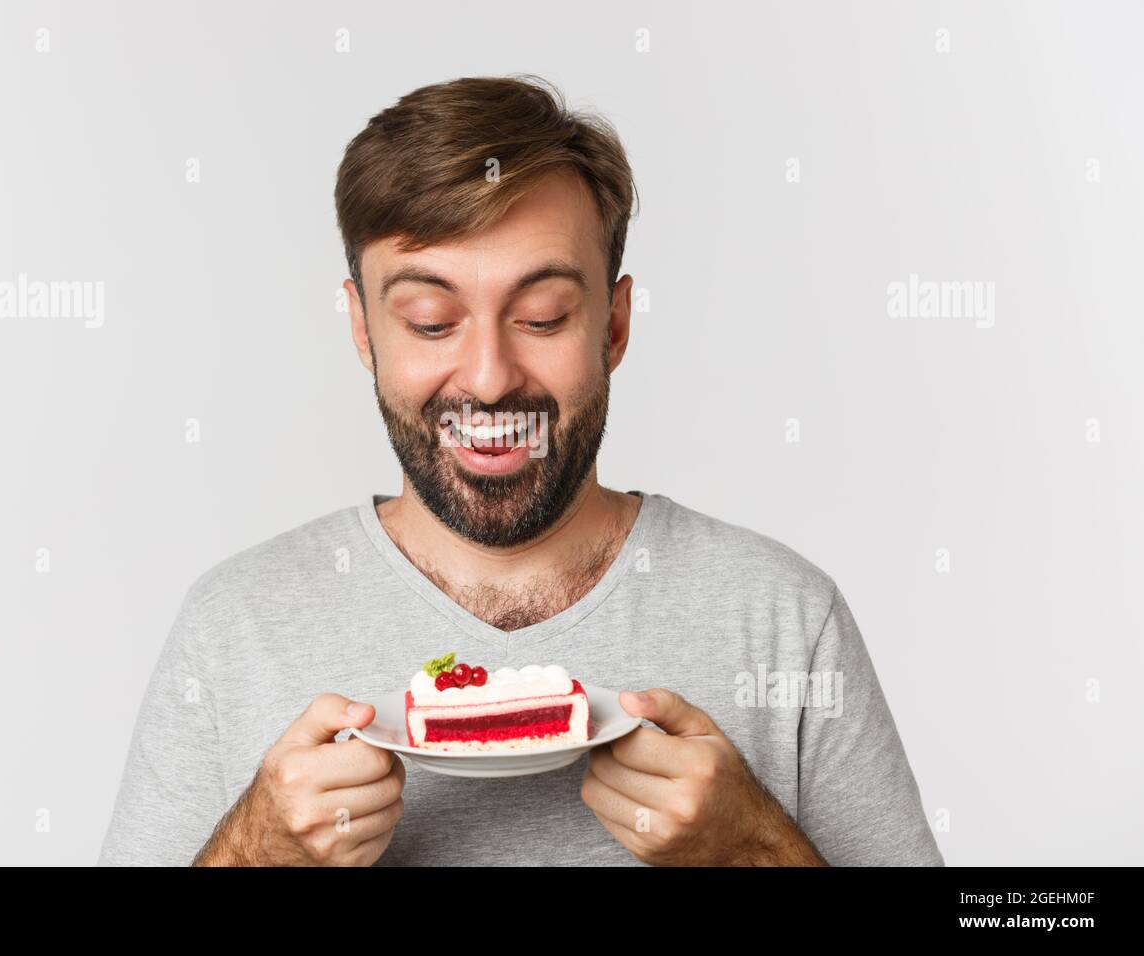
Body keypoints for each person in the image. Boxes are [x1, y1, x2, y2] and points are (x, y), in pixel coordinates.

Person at [97, 74, 943, 866]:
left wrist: (754, 851)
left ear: (612, 325)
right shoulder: (233, 625)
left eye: (542, 316)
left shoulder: (785, 617)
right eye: (431, 321)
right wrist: (252, 856)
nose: (490, 376)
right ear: (363, 331)